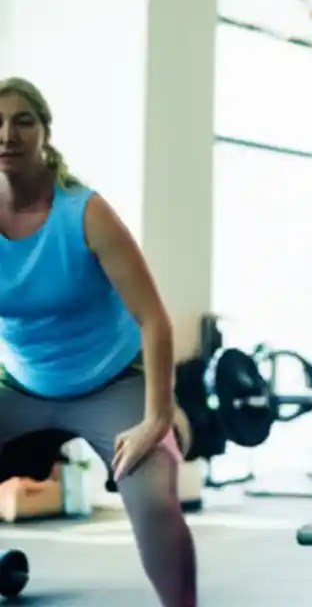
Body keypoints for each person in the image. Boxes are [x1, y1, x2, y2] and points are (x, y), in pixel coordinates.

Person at [0, 77, 197, 606]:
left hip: (110, 381)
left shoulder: (85, 214)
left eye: (22, 121)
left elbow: (154, 318)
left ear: (44, 133)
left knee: (155, 491)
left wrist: (156, 417)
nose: (7, 134)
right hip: (22, 384)